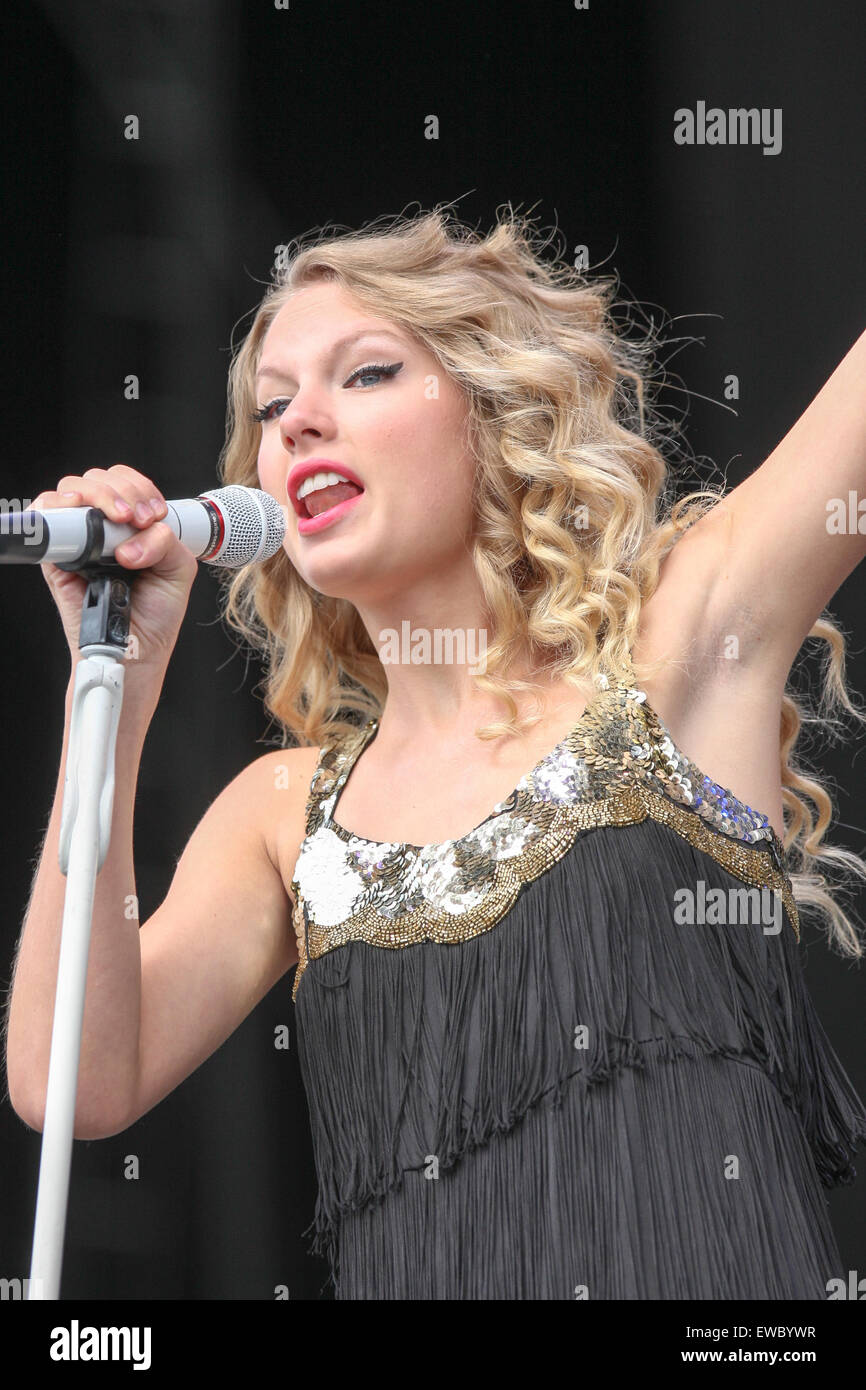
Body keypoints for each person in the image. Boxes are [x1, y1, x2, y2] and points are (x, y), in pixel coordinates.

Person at [5, 206, 866, 1300]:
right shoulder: (284, 817)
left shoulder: (675, 646)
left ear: (490, 410)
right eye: (271, 407)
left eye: (361, 375)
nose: (300, 420)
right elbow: (70, 1078)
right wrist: (115, 689)